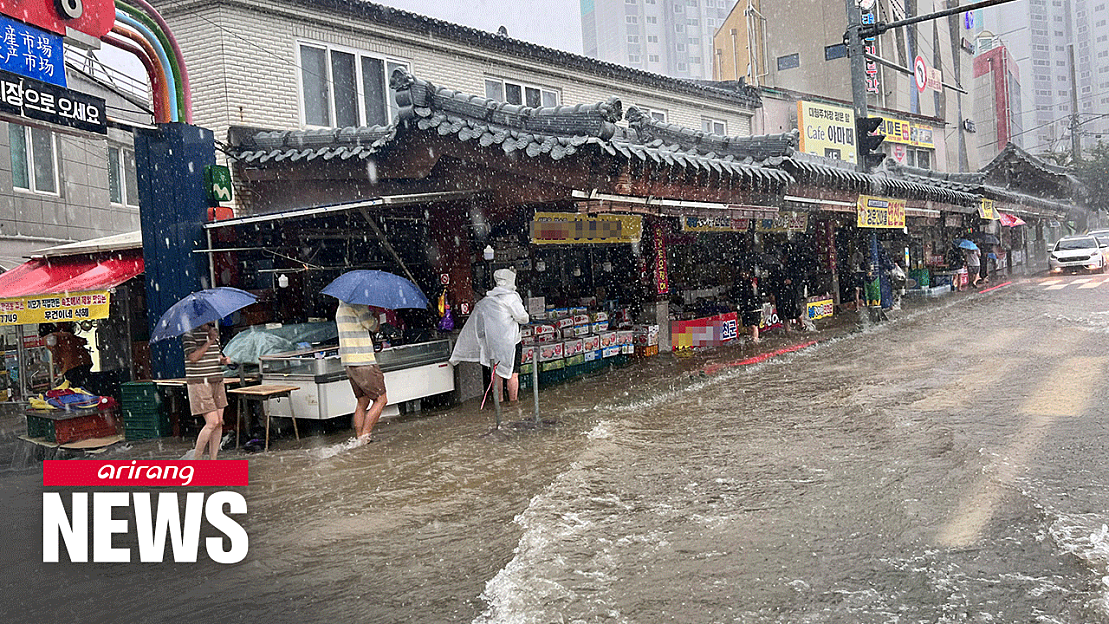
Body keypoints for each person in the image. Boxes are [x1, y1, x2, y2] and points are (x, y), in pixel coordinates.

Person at [449, 268, 530, 402]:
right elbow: (523, 318)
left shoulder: (486, 301)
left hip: (493, 343)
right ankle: (513, 404)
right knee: (512, 374)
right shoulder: (511, 298)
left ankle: (499, 403)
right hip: (511, 342)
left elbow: (478, 323)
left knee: (496, 373)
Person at [336, 301, 388, 443]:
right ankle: (365, 437)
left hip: (348, 361)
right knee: (381, 400)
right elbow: (374, 326)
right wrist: (376, 314)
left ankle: (358, 438)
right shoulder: (358, 305)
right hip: (363, 360)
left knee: (362, 401)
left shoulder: (341, 307)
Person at [183, 322, 231, 460]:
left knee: (219, 421)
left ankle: (213, 460)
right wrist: (208, 342)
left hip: (216, 379)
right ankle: (196, 460)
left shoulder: (214, 332)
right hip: (199, 382)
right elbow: (193, 357)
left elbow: (216, 355)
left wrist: (223, 360)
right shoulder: (189, 334)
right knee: (212, 422)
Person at [42, 322, 93, 389]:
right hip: (83, 362)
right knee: (83, 386)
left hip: (71, 366)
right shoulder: (66, 336)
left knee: (76, 388)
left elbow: (63, 355)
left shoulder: (50, 338)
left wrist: (63, 369)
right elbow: (82, 341)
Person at [733, 267, 762, 344]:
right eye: (742, 273)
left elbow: (760, 292)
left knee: (753, 325)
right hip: (745, 307)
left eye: (745, 273)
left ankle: (755, 341)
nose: (744, 275)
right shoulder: (739, 282)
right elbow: (736, 294)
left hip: (754, 306)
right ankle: (752, 341)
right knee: (748, 326)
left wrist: (754, 289)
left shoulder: (754, 281)